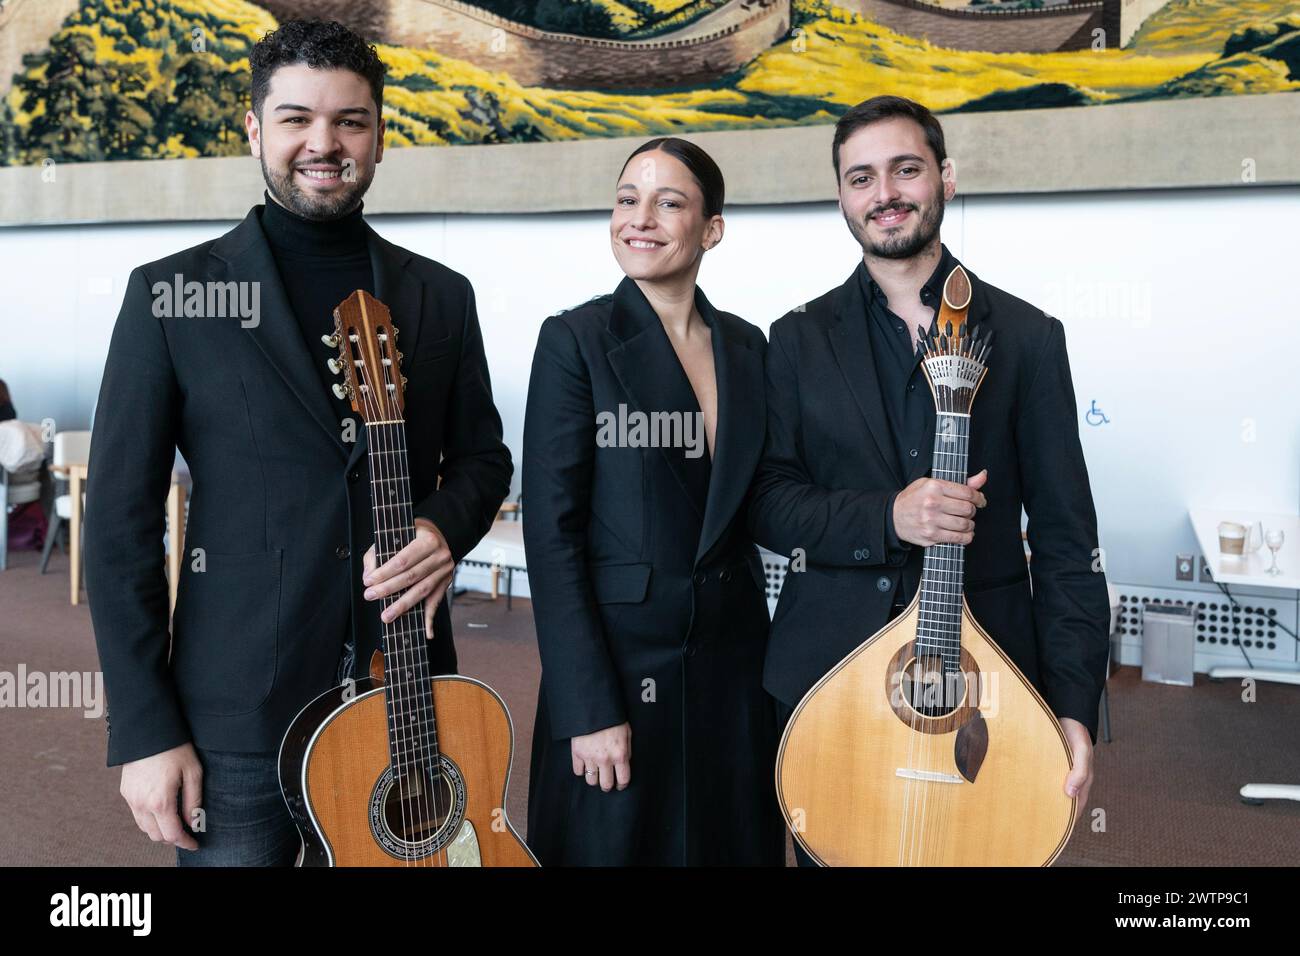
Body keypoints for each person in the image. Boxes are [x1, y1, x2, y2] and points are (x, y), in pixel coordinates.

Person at [84, 19, 512, 866]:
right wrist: (144, 729)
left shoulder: (443, 296)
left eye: (351, 120)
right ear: (254, 130)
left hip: (406, 694)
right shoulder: (170, 295)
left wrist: (439, 529)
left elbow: (482, 458)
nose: (324, 143)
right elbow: (120, 528)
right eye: (296, 119)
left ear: (381, 135)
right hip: (237, 709)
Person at [749, 95, 1110, 865]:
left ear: (944, 177)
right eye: (861, 178)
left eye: (905, 169)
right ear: (842, 196)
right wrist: (890, 517)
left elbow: (1067, 540)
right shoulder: (797, 337)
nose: (885, 194)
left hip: (990, 683)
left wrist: (1075, 704)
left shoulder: (1028, 337)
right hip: (829, 680)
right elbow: (770, 503)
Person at [522, 137, 785, 865]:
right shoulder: (574, 341)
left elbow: (765, 496)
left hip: (733, 671)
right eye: (627, 199)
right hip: (616, 673)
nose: (641, 218)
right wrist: (588, 707)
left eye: (670, 202)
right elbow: (552, 535)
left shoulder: (747, 346)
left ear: (712, 229)